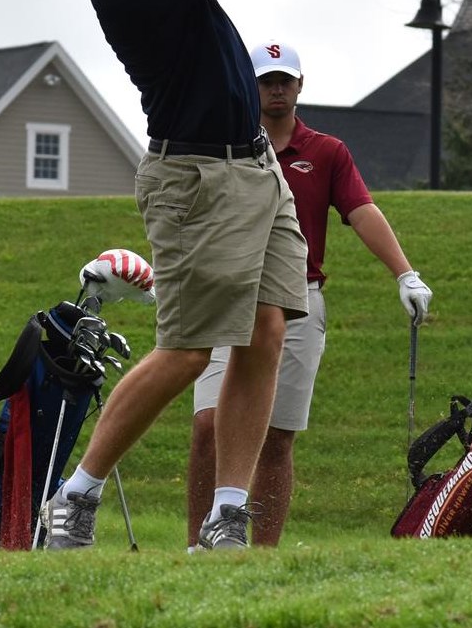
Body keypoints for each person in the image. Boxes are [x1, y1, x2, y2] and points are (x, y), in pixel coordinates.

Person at [37, 0, 346, 552]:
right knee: (188, 350)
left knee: (266, 328)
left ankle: (227, 516)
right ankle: (75, 497)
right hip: (197, 181)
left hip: (255, 166)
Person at [184, 40, 432, 547]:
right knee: (208, 425)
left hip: (299, 300)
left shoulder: (327, 152)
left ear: (300, 85)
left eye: (284, 80)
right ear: (249, 86)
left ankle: (262, 553)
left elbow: (361, 211)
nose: (276, 89)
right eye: (266, 81)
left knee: (277, 437)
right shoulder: (224, 143)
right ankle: (196, 546)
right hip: (228, 296)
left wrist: (404, 273)